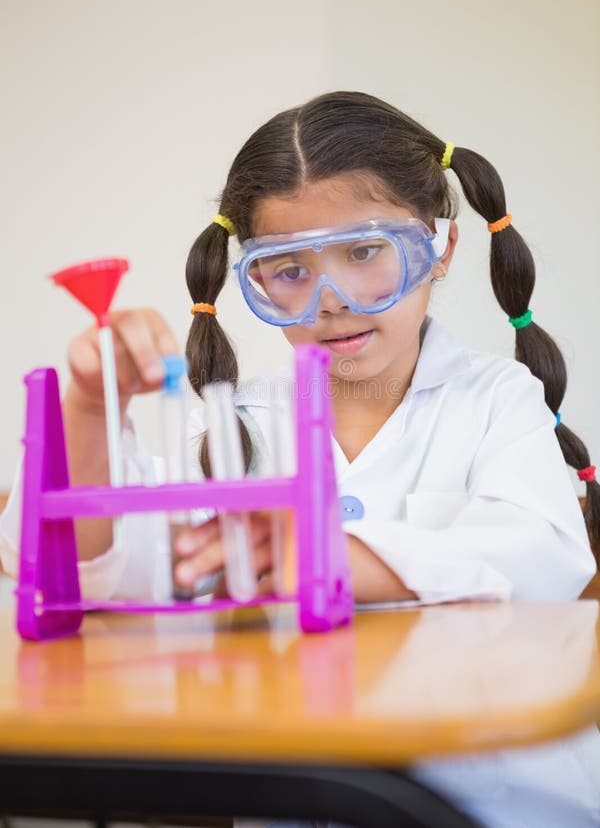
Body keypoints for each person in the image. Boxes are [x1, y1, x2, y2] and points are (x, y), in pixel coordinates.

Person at [1, 90, 600, 826]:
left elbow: (543, 557)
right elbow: (101, 571)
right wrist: (91, 411)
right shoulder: (233, 430)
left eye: (365, 252)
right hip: (306, 800)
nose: (332, 299)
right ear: (250, 279)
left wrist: (330, 554)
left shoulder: (496, 401)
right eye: (289, 270)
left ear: (439, 247)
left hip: (499, 801)